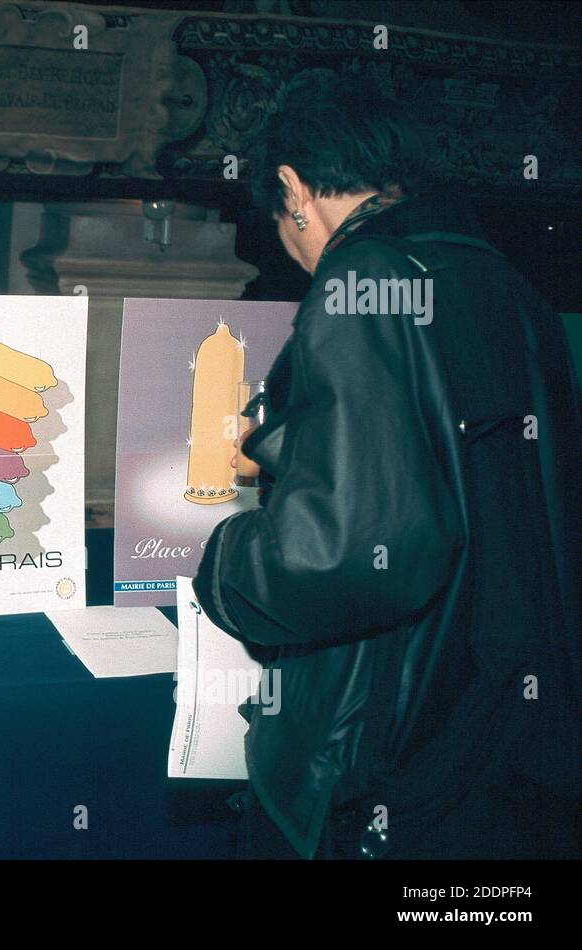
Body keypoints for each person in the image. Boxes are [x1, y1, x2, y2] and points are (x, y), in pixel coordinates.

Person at [195, 74, 582, 859]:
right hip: (501, 738)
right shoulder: (502, 283)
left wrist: (224, 565)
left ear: (293, 189)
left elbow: (343, 553)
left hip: (385, 763)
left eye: (280, 218)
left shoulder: (360, 282)